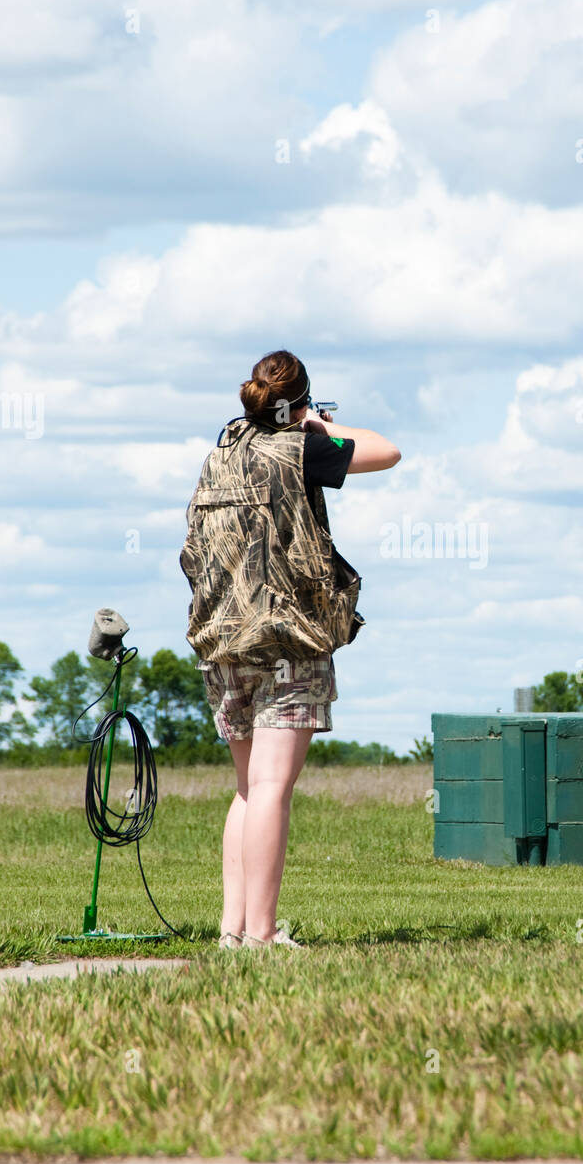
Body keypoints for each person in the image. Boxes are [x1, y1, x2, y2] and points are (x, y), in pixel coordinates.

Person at [179, 350, 401, 950]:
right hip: (288, 640)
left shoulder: (221, 453)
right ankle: (263, 934)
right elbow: (387, 451)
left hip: (225, 636)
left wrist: (297, 416)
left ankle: (233, 931)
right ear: (298, 401)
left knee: (249, 788)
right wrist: (320, 425)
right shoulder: (301, 447)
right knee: (273, 789)